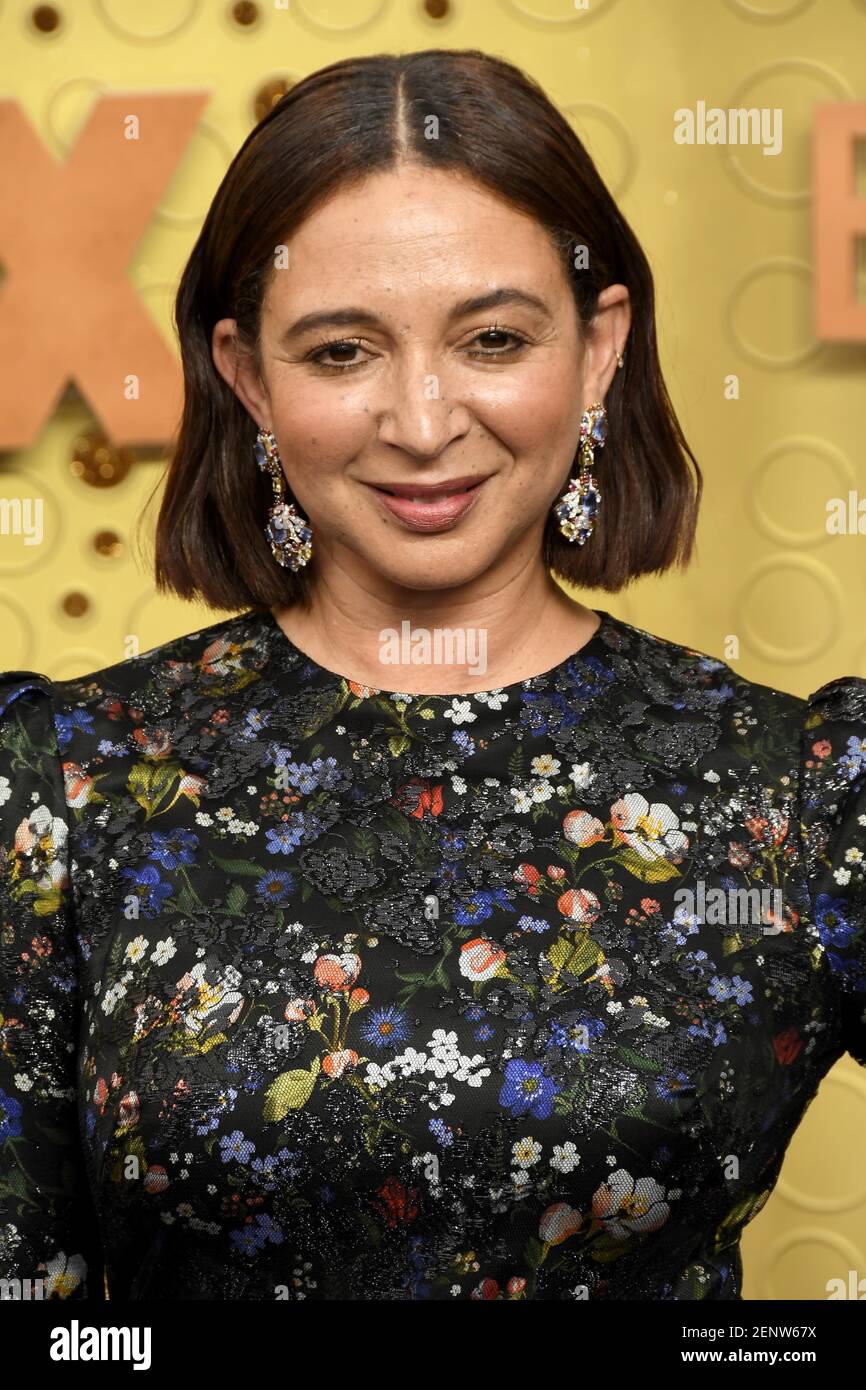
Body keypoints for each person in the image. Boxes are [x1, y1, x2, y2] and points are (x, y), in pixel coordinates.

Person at [1, 48, 863, 1303]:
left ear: (598, 347)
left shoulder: (797, 796)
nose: (419, 420)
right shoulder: (65, 784)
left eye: (494, 338)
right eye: (342, 352)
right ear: (247, 376)